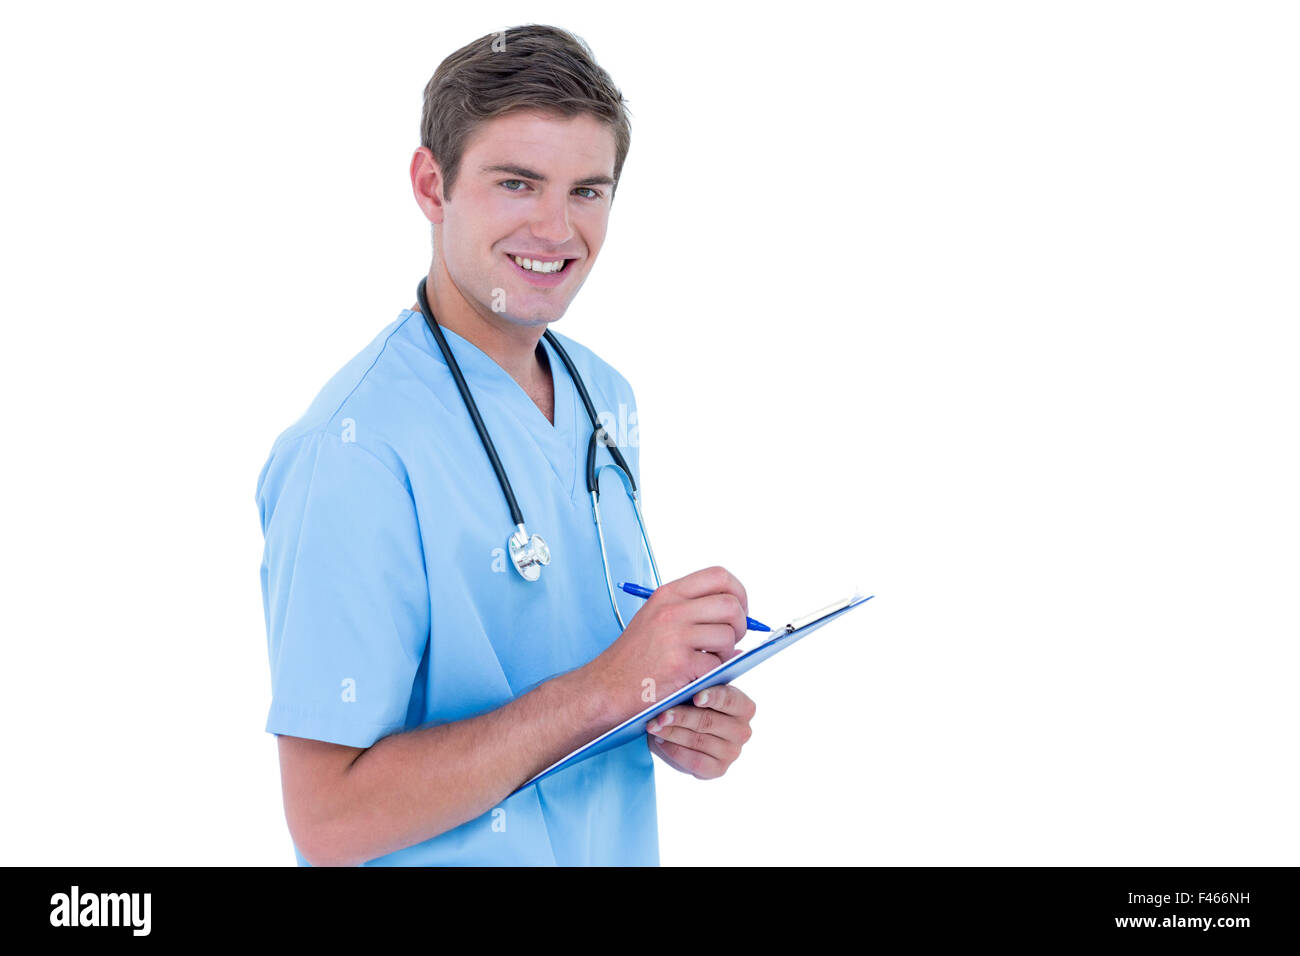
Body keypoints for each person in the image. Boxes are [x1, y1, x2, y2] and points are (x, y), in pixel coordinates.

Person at [254, 25, 758, 866]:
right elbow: (328, 818)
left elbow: (584, 682)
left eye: (588, 191)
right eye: (517, 182)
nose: (558, 229)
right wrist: (602, 690)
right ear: (431, 184)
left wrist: (672, 709)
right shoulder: (355, 448)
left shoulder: (604, 397)